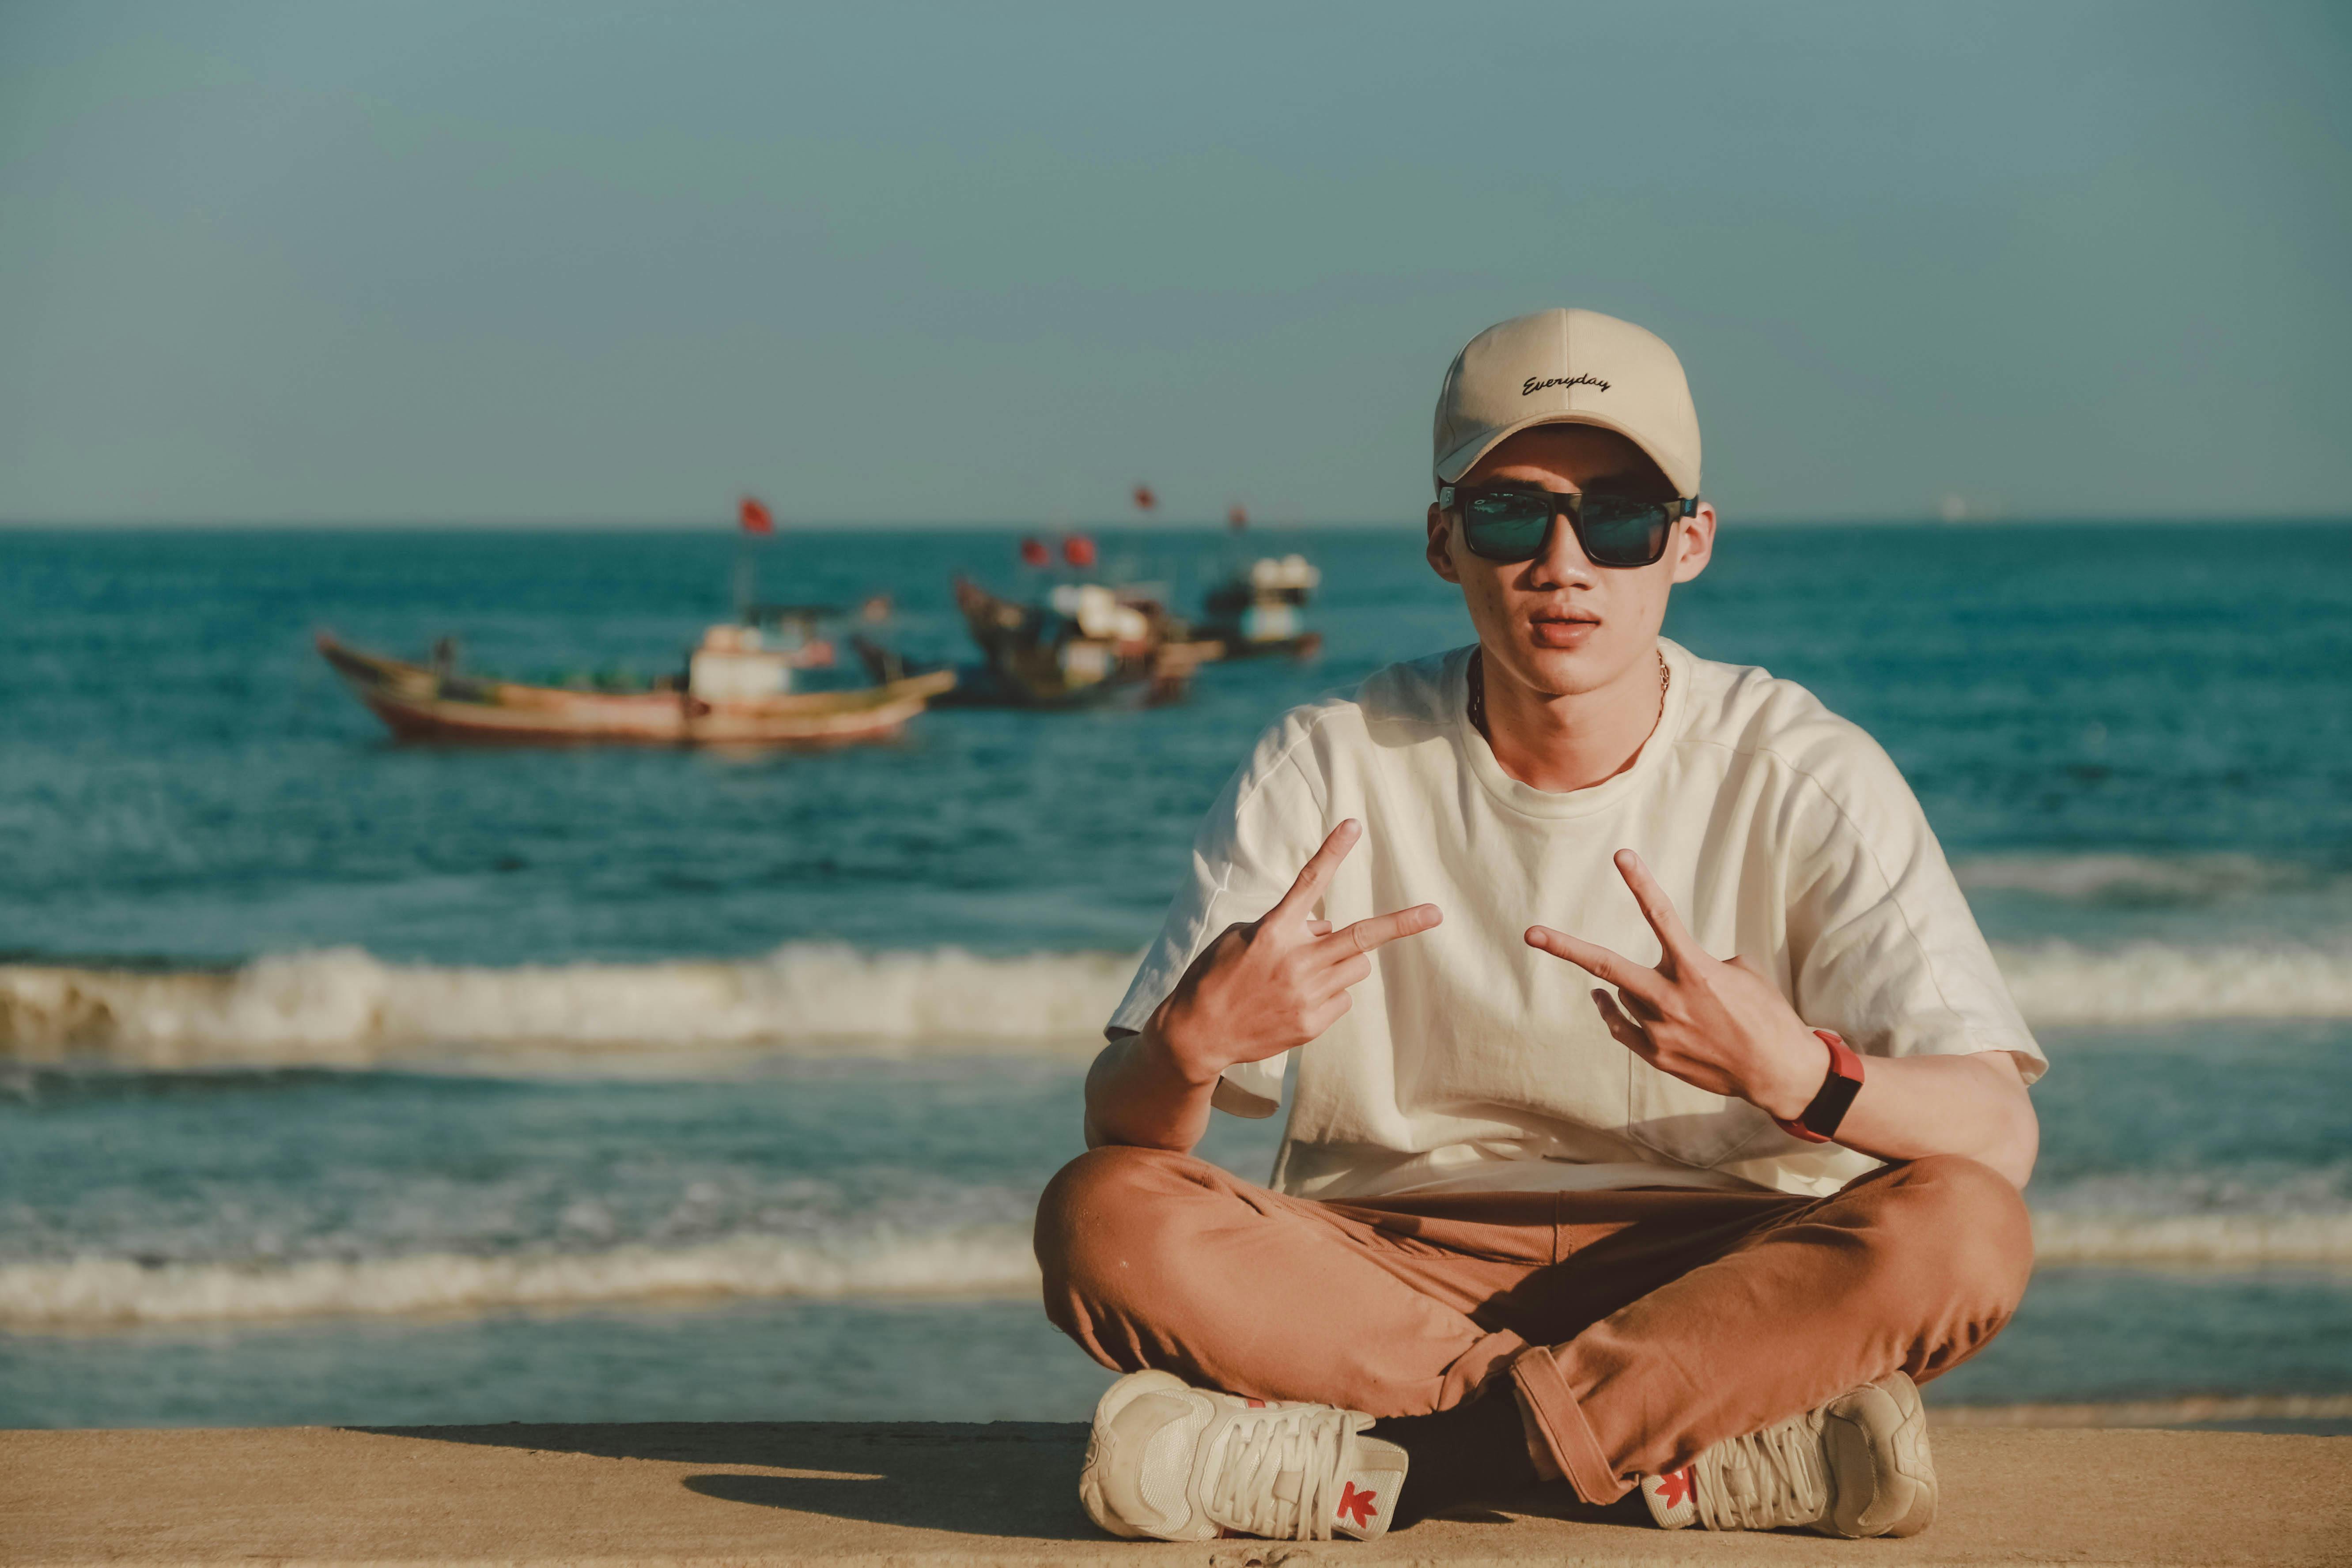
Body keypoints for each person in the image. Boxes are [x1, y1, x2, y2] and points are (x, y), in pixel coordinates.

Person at [1032, 308, 2044, 1543]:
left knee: (1969, 1229)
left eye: (1618, 518)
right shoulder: (1326, 762)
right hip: (1383, 1274)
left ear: (1690, 543)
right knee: (1104, 1213)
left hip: (1724, 1270)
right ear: (1443, 540)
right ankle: (1691, 1453)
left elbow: (1998, 1131)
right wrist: (1184, 1056)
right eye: (1515, 512)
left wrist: (1800, 1077)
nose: (1565, 562)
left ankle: (1408, 1468)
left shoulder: (1802, 768)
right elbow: (1128, 1140)